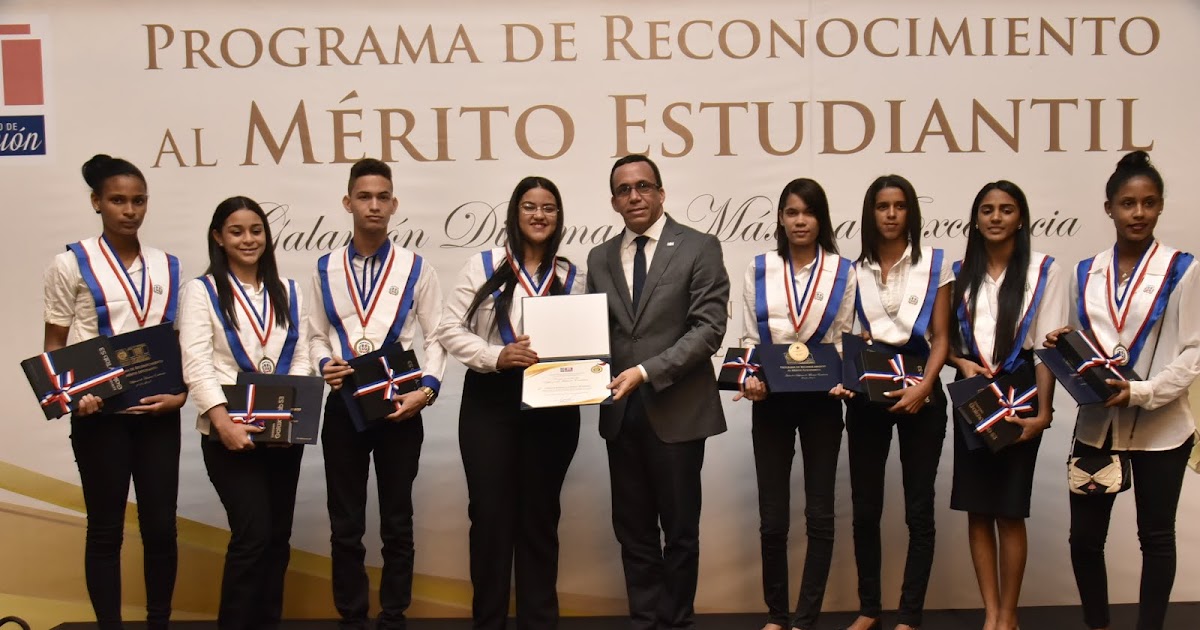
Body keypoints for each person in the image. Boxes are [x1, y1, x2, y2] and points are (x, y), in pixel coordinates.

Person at [1046, 151, 1199, 630]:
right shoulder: (1085, 272)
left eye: (1148, 203)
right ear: (1108, 207)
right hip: (1097, 428)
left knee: (1155, 537)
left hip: (1162, 428)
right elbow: (1080, 344)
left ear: (1159, 208)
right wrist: (1061, 345)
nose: (1138, 213)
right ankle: (1097, 625)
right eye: (1128, 203)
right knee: (1085, 542)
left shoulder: (1184, 269)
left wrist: (1142, 393)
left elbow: (1194, 351)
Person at [585, 154, 730, 630]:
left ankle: (677, 621)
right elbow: (594, 335)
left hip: (679, 411)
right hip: (621, 415)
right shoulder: (599, 257)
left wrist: (646, 371)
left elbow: (708, 329)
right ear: (613, 201)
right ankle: (645, 620)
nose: (635, 196)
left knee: (681, 533)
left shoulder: (699, 247)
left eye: (644, 186)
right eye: (624, 189)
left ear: (661, 193)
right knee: (633, 532)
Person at [42, 154, 185, 629]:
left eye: (138, 200)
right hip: (100, 415)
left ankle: (158, 622)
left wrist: (181, 395)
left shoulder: (168, 265)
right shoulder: (70, 263)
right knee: (105, 531)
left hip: (159, 413)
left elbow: (178, 342)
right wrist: (72, 396)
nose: (130, 210)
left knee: (161, 530)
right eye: (118, 200)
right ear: (96, 203)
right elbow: (55, 346)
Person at [436, 176, 585, 630]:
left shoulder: (572, 275)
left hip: (554, 402)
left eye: (549, 208)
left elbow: (585, 341)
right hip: (491, 402)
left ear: (558, 217)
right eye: (529, 206)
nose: (539, 215)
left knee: (540, 518)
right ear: (514, 213)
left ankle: (540, 621)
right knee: (491, 520)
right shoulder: (481, 266)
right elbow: (448, 329)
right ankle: (490, 622)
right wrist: (496, 356)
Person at [309, 157, 447, 630]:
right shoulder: (325, 268)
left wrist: (426, 391)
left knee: (397, 522)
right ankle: (351, 615)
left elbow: (439, 336)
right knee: (345, 523)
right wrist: (322, 363)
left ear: (394, 204)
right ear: (347, 202)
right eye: (363, 197)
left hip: (400, 404)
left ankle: (393, 615)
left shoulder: (416, 268)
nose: (373, 205)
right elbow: (314, 334)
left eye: (381, 197)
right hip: (344, 403)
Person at [177, 196, 311, 629]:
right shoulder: (202, 290)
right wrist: (222, 421)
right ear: (218, 237)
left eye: (256, 230)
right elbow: (196, 363)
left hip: (282, 434)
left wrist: (297, 414)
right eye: (236, 231)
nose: (248, 239)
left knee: (277, 540)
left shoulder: (289, 290)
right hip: (230, 435)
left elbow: (304, 356)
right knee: (252, 537)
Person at [733, 178, 857, 630]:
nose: (798, 220)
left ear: (820, 218)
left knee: (820, 513)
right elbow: (749, 336)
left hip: (824, 401)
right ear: (781, 219)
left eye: (807, 212)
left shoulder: (842, 271)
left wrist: (844, 379)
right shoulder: (760, 268)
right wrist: (751, 379)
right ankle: (777, 617)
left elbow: (845, 338)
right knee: (772, 518)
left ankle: (806, 620)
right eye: (790, 212)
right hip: (772, 400)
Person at [947, 181, 1065, 630]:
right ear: (976, 219)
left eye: (1007, 209)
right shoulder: (960, 273)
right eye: (988, 209)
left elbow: (1047, 350)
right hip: (974, 391)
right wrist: (961, 363)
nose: (996, 217)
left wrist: (1044, 413)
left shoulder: (1044, 270)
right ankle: (991, 614)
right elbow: (950, 345)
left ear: (1021, 218)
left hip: (1019, 391)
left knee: (1011, 510)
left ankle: (1010, 615)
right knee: (978, 508)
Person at [842, 175, 953, 630]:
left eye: (899, 206)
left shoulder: (935, 265)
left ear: (911, 212)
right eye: (882, 206)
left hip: (922, 393)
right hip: (869, 396)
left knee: (918, 509)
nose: (890, 214)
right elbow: (847, 334)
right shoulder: (853, 269)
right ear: (871, 212)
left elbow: (943, 338)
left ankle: (909, 615)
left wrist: (925, 388)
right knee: (865, 508)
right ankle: (870, 608)